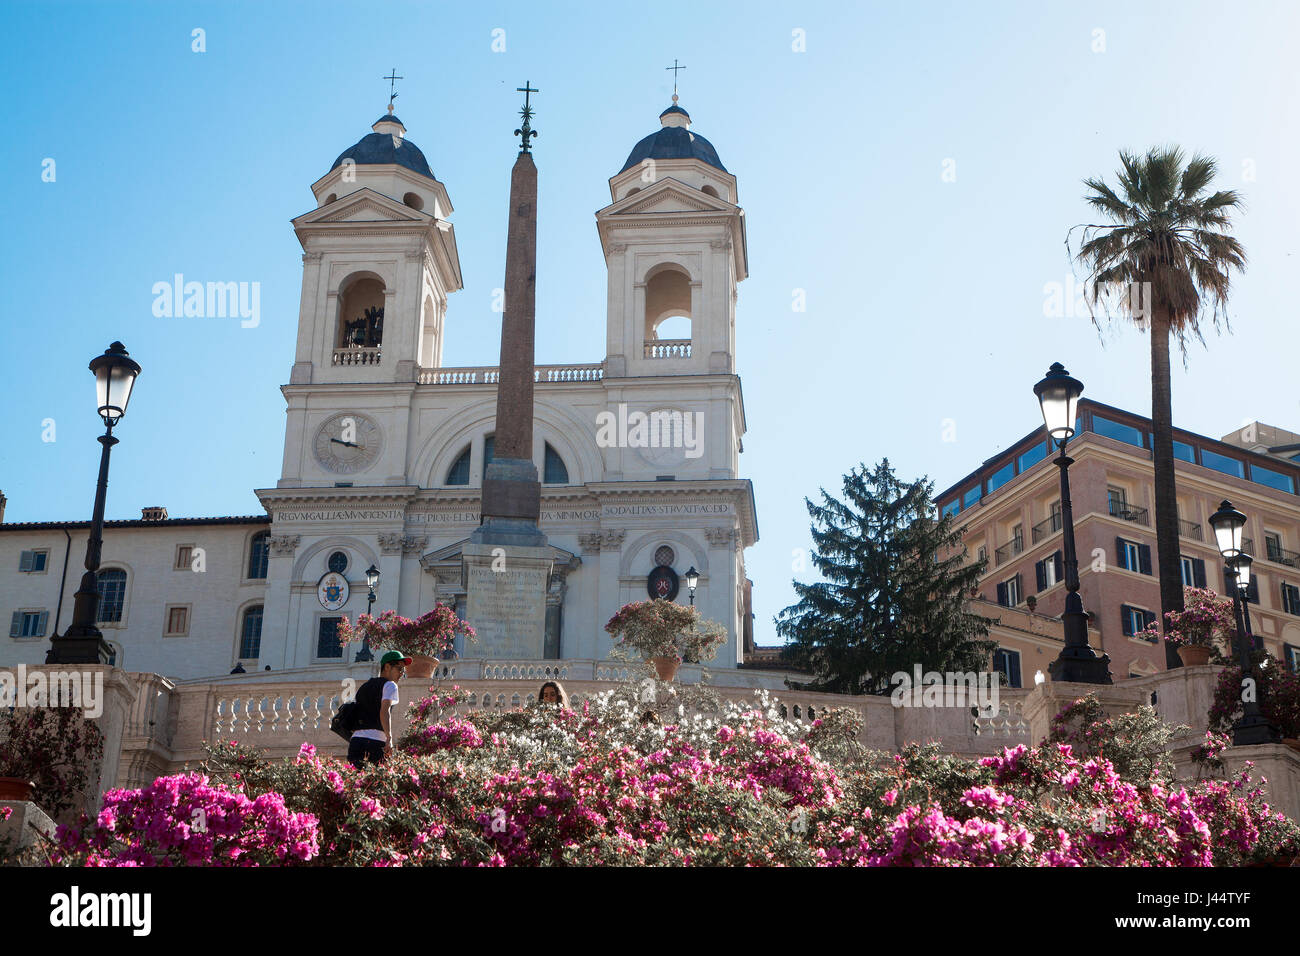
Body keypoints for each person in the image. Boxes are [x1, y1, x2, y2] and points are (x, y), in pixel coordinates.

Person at [348, 650, 410, 769]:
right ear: (387, 667)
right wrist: (389, 738)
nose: (402, 673)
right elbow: (384, 711)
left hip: (356, 742)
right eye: (399, 669)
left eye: (403, 670)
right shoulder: (390, 685)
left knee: (356, 783)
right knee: (376, 783)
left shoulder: (364, 687)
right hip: (376, 741)